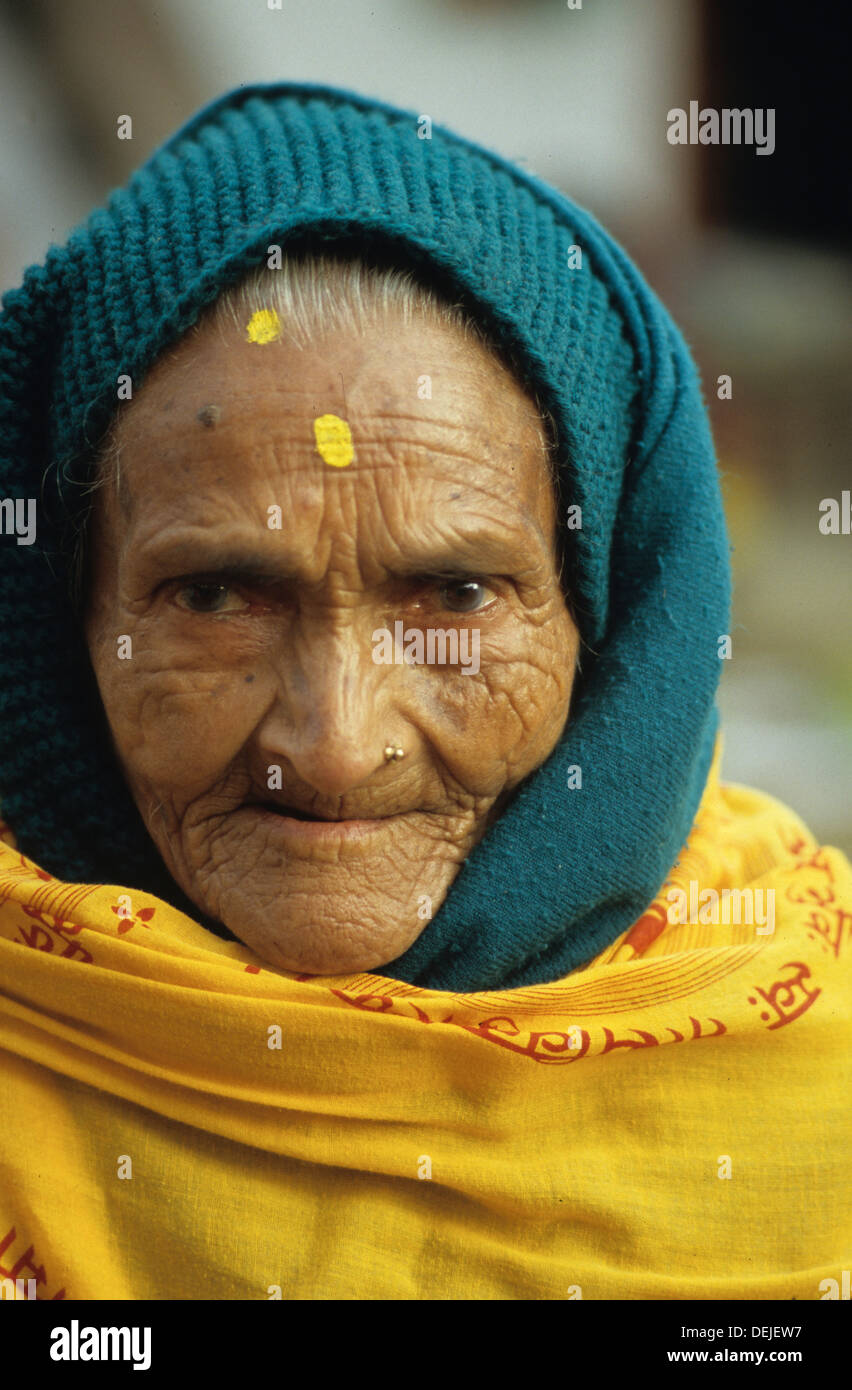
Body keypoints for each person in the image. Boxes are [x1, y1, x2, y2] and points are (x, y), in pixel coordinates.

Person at [0, 82, 848, 1302]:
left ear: (612, 628)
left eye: (454, 597)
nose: (337, 745)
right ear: (62, 624)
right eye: (216, 597)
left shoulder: (816, 1059)